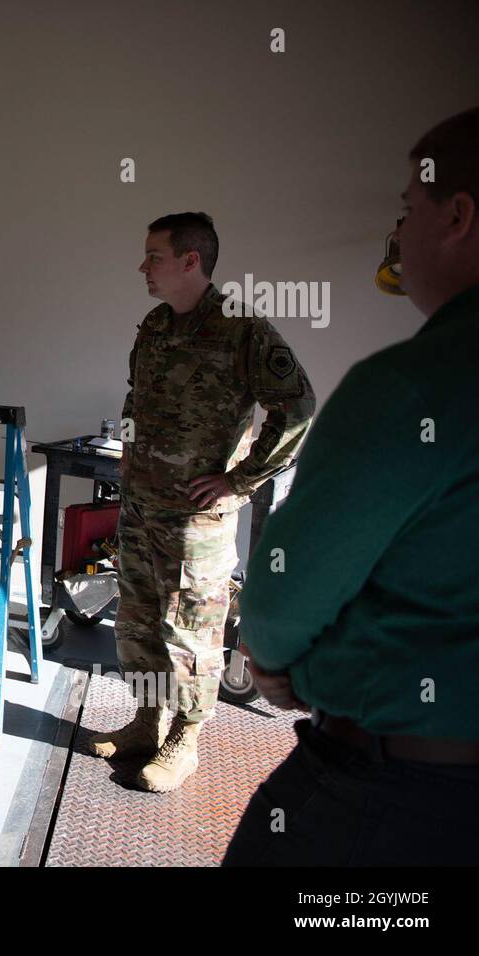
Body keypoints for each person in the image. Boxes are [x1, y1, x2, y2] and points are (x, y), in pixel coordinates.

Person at [224, 107, 479, 865]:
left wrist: (277, 663)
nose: (397, 238)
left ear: (458, 215)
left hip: (397, 797)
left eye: (408, 211)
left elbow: (282, 598)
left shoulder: (411, 388)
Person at [87, 213, 315, 793]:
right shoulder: (156, 325)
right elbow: (136, 396)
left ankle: (184, 739)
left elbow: (297, 407)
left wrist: (240, 480)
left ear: (191, 260)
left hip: (196, 519)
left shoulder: (243, 329)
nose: (143, 266)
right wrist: (129, 455)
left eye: (153, 256)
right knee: (136, 622)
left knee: (189, 631)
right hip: (141, 506)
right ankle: (147, 721)